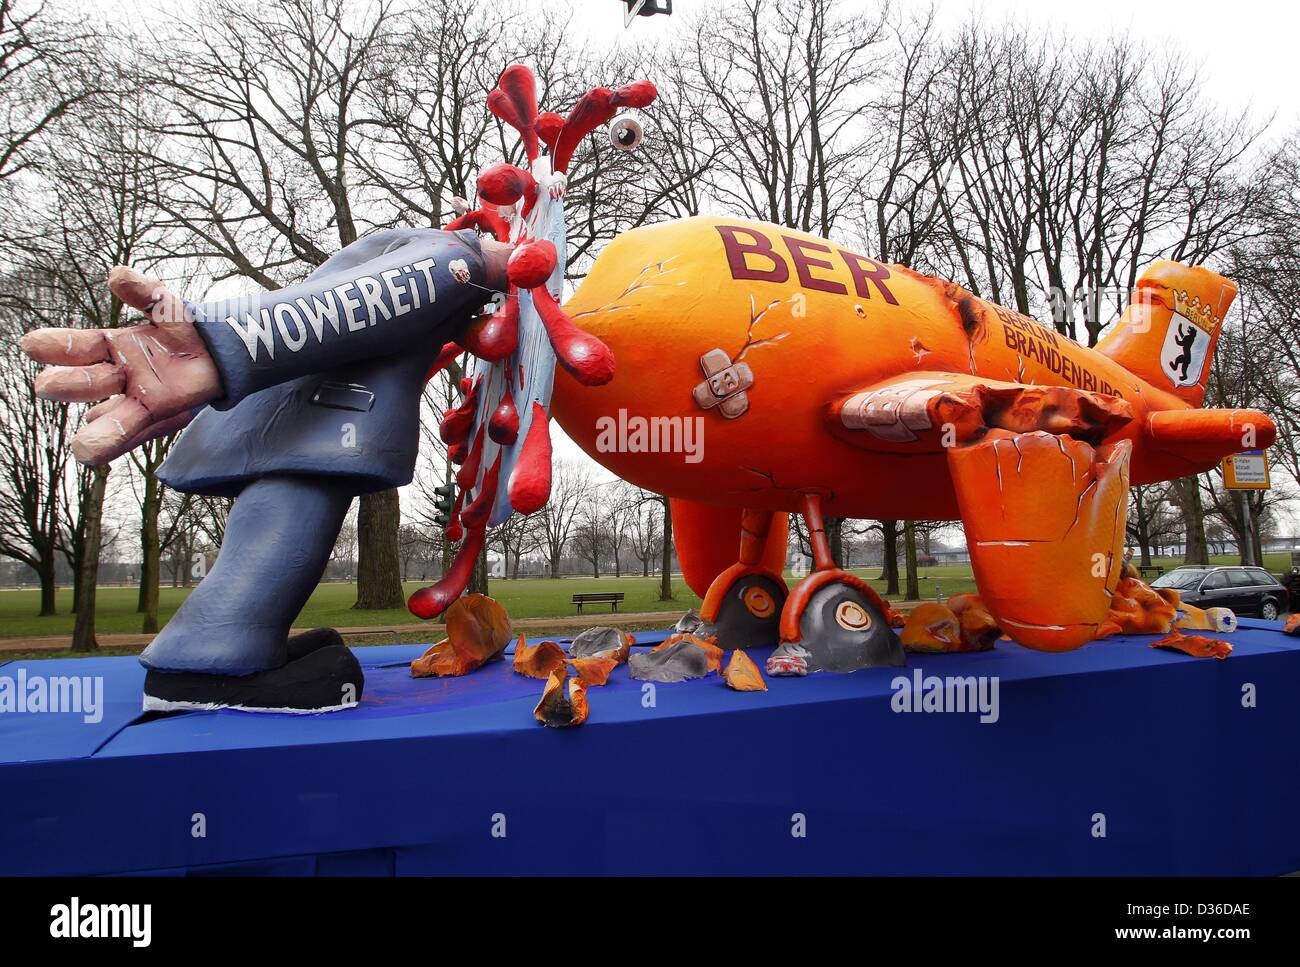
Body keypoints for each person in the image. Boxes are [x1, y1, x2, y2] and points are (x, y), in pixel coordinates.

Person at [23, 229, 512, 712]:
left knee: (279, 515)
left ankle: (243, 640)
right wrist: (220, 345)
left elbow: (341, 316)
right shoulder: (452, 257)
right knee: (292, 520)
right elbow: (369, 299)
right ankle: (207, 659)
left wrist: (213, 377)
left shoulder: (403, 251)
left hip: (306, 414)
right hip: (326, 419)